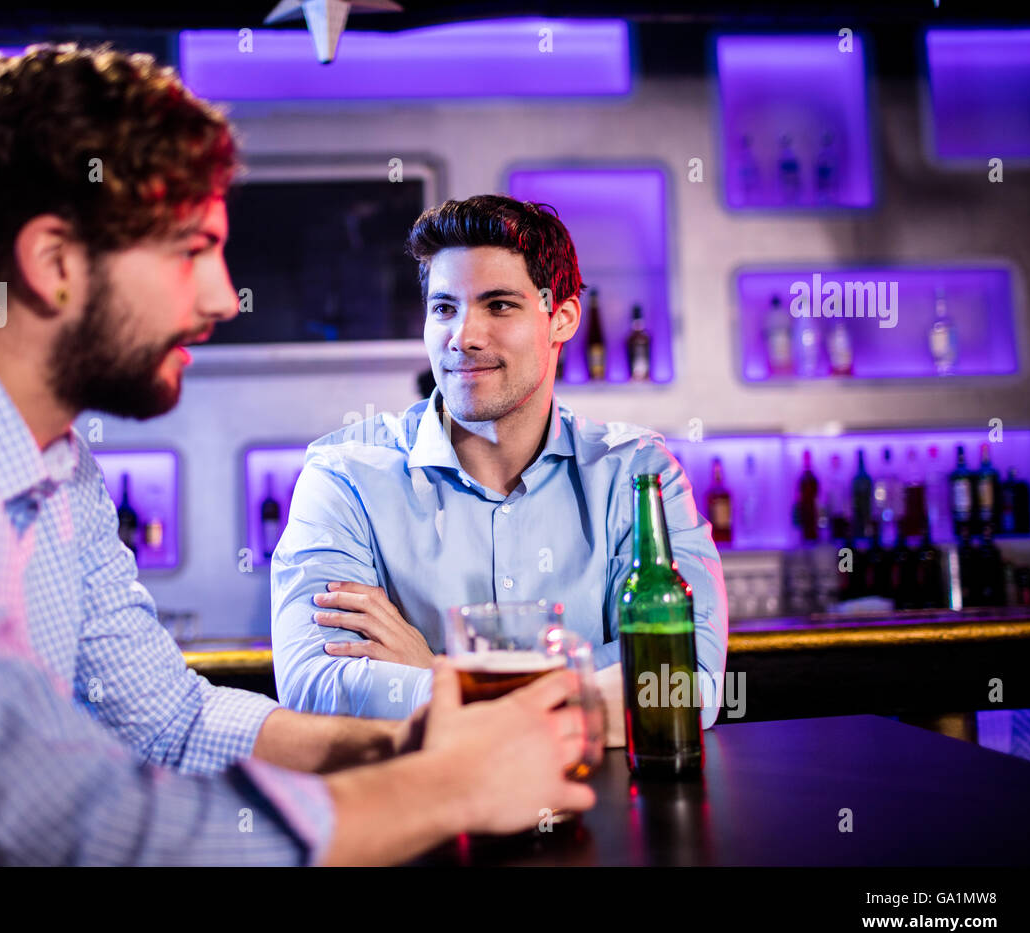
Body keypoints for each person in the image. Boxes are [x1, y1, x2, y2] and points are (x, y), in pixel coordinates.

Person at [0, 44, 595, 867]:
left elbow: (171, 721)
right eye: (193, 250)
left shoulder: (59, 465)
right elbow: (72, 822)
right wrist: (444, 787)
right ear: (54, 263)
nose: (225, 296)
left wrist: (412, 739)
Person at [271, 195, 728, 725]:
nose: (464, 337)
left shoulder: (638, 473)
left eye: (499, 305)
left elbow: (682, 683)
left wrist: (444, 679)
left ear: (561, 318)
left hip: (601, 804)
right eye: (444, 308)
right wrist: (569, 689)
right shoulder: (344, 475)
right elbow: (315, 686)